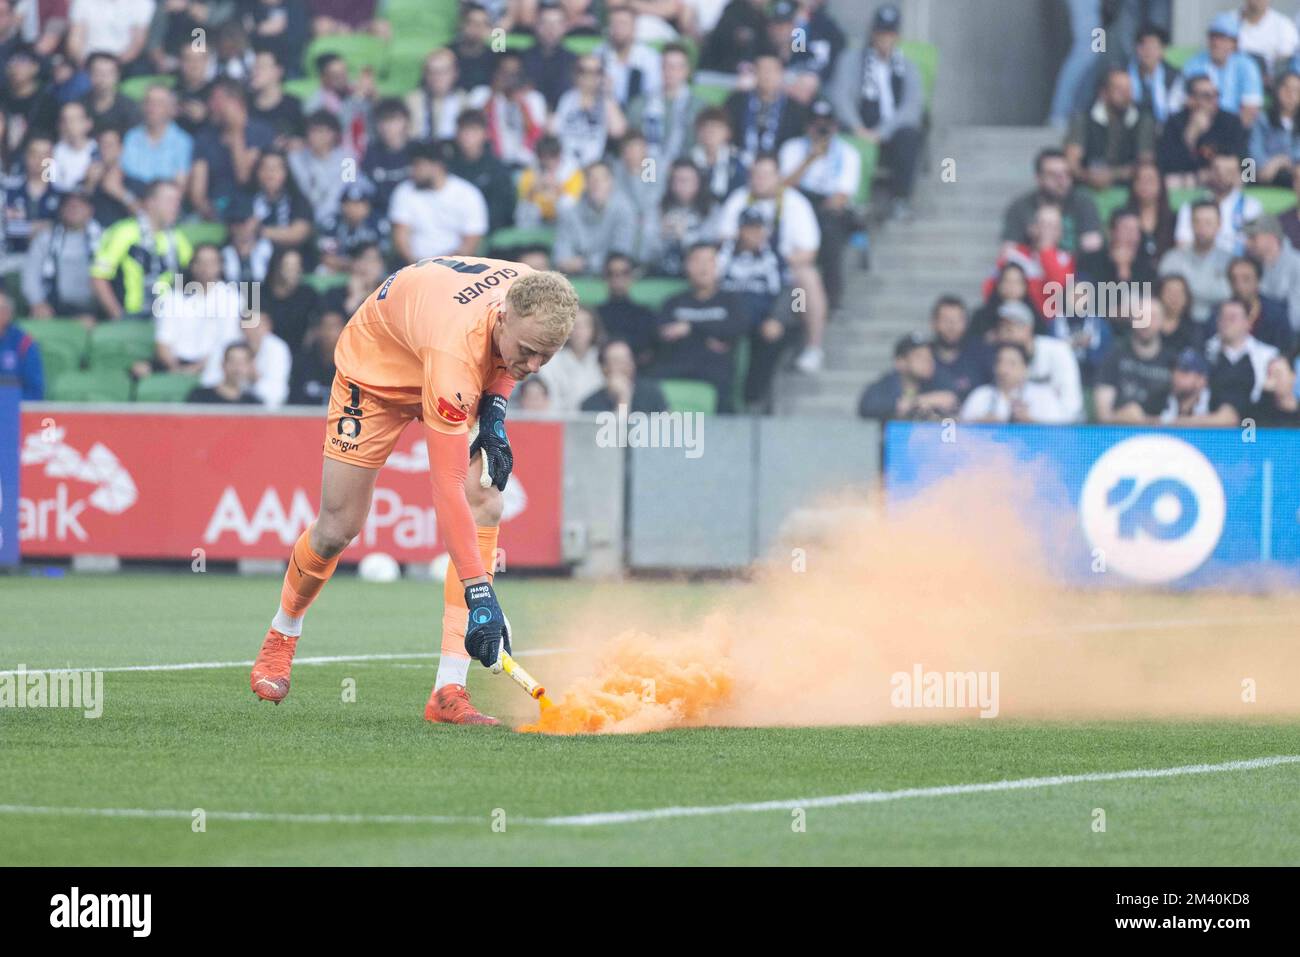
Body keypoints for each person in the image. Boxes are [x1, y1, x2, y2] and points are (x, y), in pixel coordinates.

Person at [247, 260, 579, 728]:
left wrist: (497, 411)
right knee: (337, 529)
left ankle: (448, 690)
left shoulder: (531, 291)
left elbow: (506, 361)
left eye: (547, 357)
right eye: (528, 352)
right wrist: (481, 593)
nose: (533, 367)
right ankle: (283, 632)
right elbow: (444, 489)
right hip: (376, 378)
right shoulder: (455, 353)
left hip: (441, 353)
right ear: (503, 316)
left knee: (487, 498)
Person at [718, 152, 826, 372]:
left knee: (806, 279)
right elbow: (723, 238)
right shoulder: (739, 198)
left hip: (782, 279)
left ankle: (810, 344)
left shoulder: (795, 203)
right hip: (739, 271)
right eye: (756, 174)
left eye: (766, 175)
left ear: (779, 176)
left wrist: (774, 258)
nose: (760, 180)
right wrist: (749, 246)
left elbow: (808, 252)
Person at [829, 2, 924, 220]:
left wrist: (883, 132)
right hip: (859, 126)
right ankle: (854, 200)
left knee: (910, 136)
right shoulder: (852, 60)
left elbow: (912, 106)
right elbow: (841, 96)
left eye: (890, 33)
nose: (885, 39)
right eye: (881, 33)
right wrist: (858, 128)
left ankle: (901, 199)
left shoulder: (908, 66)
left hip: (891, 131)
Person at [779, 99, 861, 309]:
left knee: (829, 227)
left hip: (828, 211)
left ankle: (831, 298)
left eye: (827, 124)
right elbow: (783, 187)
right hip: (795, 207)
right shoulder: (792, 148)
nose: (822, 129)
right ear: (808, 126)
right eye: (817, 124)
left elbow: (841, 197)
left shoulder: (848, 153)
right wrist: (809, 159)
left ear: (835, 126)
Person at [651, 242, 748, 410]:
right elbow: (662, 334)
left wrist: (690, 329)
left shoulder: (731, 301)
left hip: (715, 370)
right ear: (687, 265)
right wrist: (709, 335)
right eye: (697, 261)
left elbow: (736, 328)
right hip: (677, 365)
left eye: (709, 261)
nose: (703, 267)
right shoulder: (673, 302)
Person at [91, 180, 192, 319]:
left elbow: (193, 276)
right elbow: (98, 276)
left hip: (166, 318)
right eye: (170, 201)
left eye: (178, 201)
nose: (175, 206)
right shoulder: (124, 232)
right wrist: (118, 316)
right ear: (150, 203)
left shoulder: (178, 239)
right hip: (130, 317)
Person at [389, 139, 489, 262]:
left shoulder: (467, 194)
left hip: (456, 268)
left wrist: (439, 266)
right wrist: (417, 267)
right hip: (413, 267)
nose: (413, 171)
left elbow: (470, 244)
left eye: (418, 165)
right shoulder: (404, 191)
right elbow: (401, 238)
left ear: (437, 166)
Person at [156, 243, 243, 381]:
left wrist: (198, 368)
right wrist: (177, 369)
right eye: (200, 262)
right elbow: (163, 341)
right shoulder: (172, 296)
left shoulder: (231, 296)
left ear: (220, 266)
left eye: (211, 262)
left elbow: (228, 340)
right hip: (176, 366)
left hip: (216, 367)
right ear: (192, 265)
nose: (205, 268)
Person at [993, 299, 1084, 422]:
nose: (1005, 334)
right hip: (1016, 428)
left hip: (1064, 429)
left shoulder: (1058, 351)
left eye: (1010, 328)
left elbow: (1072, 406)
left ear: (1027, 328)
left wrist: (1036, 422)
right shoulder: (1000, 357)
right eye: (1001, 329)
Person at [1064, 67, 1154, 189]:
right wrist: (1089, 176)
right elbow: (1072, 162)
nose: (1127, 95)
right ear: (1103, 93)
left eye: (1129, 89)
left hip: (1130, 188)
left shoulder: (1143, 119)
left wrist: (1111, 175)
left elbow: (1145, 162)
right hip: (1086, 186)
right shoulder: (1083, 119)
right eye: (1119, 90)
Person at [1001, 148, 1103, 255]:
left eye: (1066, 174)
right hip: (1034, 267)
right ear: (1039, 178)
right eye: (1054, 175)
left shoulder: (1083, 202)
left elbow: (1093, 246)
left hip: (1071, 269)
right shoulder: (1021, 206)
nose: (1062, 180)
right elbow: (1009, 250)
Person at [1155, 73, 1248, 188]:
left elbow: (1248, 162)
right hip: (1190, 180)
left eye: (1216, 95)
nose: (1214, 101)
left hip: (1224, 180)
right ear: (1191, 99)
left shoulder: (1230, 121)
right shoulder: (1175, 122)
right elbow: (1168, 165)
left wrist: (1244, 178)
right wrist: (1191, 136)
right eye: (1207, 96)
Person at [21, 190, 101, 320]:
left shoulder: (103, 239)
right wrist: (37, 302)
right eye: (69, 205)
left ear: (90, 210)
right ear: (61, 210)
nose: (74, 209)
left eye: (80, 205)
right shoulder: (45, 239)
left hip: (93, 309)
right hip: (52, 307)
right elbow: (30, 275)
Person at [1092, 297, 1174, 423]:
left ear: (1163, 322)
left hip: (1164, 438)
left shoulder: (1173, 361)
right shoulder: (1114, 355)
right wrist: (1121, 417)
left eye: (1152, 317)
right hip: (1120, 435)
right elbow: (1103, 415)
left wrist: (1145, 420)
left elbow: (1179, 414)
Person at [552, 159, 638, 275]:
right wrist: (567, 263)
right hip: (576, 277)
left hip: (612, 278)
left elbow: (621, 254)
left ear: (611, 183)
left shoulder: (624, 210)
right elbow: (561, 256)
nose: (596, 183)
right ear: (585, 184)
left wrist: (586, 263)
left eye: (603, 179)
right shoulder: (570, 212)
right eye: (592, 179)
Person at [1181, 12, 1264, 129]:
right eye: (1213, 37)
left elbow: (1250, 110)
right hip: (1199, 124)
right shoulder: (1193, 63)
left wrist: (1230, 136)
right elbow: (1181, 101)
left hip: (1236, 129)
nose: (1216, 43)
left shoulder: (1247, 66)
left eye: (1222, 38)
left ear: (1234, 43)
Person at [626, 42, 703, 168]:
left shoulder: (699, 107)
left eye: (677, 67)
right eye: (666, 66)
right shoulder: (640, 104)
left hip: (685, 172)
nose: (670, 72)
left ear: (687, 71)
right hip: (648, 169)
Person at [725, 52, 808, 167]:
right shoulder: (736, 101)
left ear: (781, 74)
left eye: (772, 70)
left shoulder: (795, 109)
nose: (767, 75)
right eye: (762, 70)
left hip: (780, 168)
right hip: (738, 164)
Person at [1158, 200, 1232, 326]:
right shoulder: (1172, 259)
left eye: (1208, 223)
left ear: (1219, 225)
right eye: (1197, 222)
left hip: (1220, 325)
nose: (1202, 228)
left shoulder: (1231, 262)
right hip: (1180, 327)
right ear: (1191, 224)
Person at [959, 342, 1071, 424]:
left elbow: (1060, 433)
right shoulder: (981, 395)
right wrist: (981, 424)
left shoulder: (1043, 396)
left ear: (1025, 369)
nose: (1003, 369)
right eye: (1000, 362)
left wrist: (1030, 422)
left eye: (1011, 364)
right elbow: (961, 430)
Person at [1204, 297, 1279, 420]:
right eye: (1223, 318)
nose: (1226, 323)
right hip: (1207, 428)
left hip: (1256, 428)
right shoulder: (1205, 353)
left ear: (1248, 322)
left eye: (1232, 318)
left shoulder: (1269, 357)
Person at [1171, 153, 1260, 255]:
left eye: (1229, 171)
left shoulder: (1251, 206)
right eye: (1217, 170)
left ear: (1238, 175)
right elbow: (1182, 245)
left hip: (1239, 265)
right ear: (1209, 172)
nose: (1222, 176)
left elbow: (1256, 245)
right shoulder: (1191, 206)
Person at [550, 54, 627, 170]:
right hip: (566, 168)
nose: (589, 76)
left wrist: (607, 94)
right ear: (576, 74)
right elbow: (553, 131)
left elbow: (618, 131)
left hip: (594, 168)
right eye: (584, 71)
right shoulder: (567, 99)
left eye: (596, 72)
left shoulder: (606, 102)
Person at [858, 333, 957, 423]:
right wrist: (907, 405)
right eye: (919, 357)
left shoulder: (937, 379)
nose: (928, 361)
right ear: (900, 362)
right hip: (895, 440)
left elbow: (949, 399)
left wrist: (913, 403)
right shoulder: (885, 386)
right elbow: (867, 407)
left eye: (930, 356)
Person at [646, 158, 718, 277]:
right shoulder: (659, 208)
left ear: (697, 182)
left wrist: (684, 237)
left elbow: (710, 248)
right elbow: (646, 251)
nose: (679, 186)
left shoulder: (710, 209)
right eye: (675, 181)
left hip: (695, 275)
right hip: (660, 272)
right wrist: (661, 235)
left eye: (685, 181)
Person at [449, 109, 517, 235]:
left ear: (485, 134)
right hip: (452, 231)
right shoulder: (447, 168)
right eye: (464, 130)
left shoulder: (497, 169)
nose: (467, 136)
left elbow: (502, 210)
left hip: (489, 233)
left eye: (473, 131)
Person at [121, 86, 194, 190]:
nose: (152, 108)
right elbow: (122, 178)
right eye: (148, 102)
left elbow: (179, 187)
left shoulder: (183, 142)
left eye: (159, 103)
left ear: (172, 109)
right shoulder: (131, 136)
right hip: (131, 201)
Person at [538, 306, 604, 412]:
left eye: (585, 325)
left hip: (595, 423)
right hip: (561, 423)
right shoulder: (551, 361)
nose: (579, 331)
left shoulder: (603, 359)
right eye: (575, 325)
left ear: (594, 329)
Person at [597, 252, 658, 365]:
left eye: (624, 273)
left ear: (631, 277)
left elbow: (650, 352)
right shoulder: (595, 315)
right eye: (611, 273)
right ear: (604, 278)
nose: (618, 278)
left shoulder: (646, 314)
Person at [1227, 255, 1294, 355]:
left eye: (1246, 279)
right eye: (1234, 279)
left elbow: (1285, 352)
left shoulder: (1276, 315)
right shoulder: (1220, 313)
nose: (1239, 285)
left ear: (1258, 281)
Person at [580, 338, 668, 413]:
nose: (624, 366)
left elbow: (669, 427)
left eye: (627, 360)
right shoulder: (590, 404)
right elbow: (617, 432)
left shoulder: (652, 393)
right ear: (604, 368)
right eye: (617, 361)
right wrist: (623, 398)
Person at [1245, 214, 1300, 332]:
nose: (1247, 243)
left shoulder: (1296, 265)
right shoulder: (1251, 263)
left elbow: (1296, 315)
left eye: (1253, 237)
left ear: (1271, 237)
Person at [928, 295, 990, 400]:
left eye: (957, 320)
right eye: (946, 320)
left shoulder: (982, 354)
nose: (952, 326)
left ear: (966, 323)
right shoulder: (923, 355)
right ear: (934, 323)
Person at [515, 134, 584, 228]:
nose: (548, 162)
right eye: (544, 157)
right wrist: (533, 190)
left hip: (560, 221)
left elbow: (574, 205)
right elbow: (522, 203)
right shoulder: (530, 172)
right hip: (537, 221)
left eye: (552, 157)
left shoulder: (572, 173)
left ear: (559, 156)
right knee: (525, 208)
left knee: (566, 206)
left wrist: (558, 189)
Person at [1157, 347, 1238, 426]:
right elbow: (1144, 418)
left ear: (1201, 380)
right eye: (1174, 369)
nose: (1175, 376)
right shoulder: (1161, 396)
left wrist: (1179, 422)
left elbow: (1230, 419)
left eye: (1184, 371)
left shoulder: (1214, 398)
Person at [406, 48, 474, 142]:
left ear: (455, 73)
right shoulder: (411, 101)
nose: (437, 78)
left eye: (443, 72)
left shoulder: (465, 102)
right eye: (431, 72)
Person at [521, 1, 577, 111]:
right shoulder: (523, 58)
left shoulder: (573, 60)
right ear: (536, 25)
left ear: (565, 27)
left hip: (563, 115)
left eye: (556, 23)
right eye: (545, 23)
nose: (551, 29)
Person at [1249, 70, 1300, 188]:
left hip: (1293, 176)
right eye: (1286, 89)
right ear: (1277, 90)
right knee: (1247, 169)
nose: (1291, 95)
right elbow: (1254, 151)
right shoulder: (1261, 120)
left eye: (1296, 91)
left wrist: (1281, 161)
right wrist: (1273, 163)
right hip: (1262, 174)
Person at [1128, 23, 1184, 129]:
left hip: (1164, 130)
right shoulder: (1124, 74)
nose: (1147, 51)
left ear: (1162, 50)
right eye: (1143, 45)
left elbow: (1175, 109)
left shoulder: (1174, 75)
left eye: (1153, 46)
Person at [1121, 157, 1175, 261]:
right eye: (1140, 180)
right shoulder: (1122, 218)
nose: (1145, 185)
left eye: (1150, 180)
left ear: (1160, 184)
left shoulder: (1173, 219)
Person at [288, 309, 345, 405]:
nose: (330, 332)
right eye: (326, 326)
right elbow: (294, 403)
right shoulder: (302, 363)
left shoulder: (353, 365)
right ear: (318, 331)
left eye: (335, 327)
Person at [0, 290, 44, 399]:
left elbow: (35, 390)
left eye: (1, 309)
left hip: (12, 409)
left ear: (8, 313)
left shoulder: (24, 343)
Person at [188, 341, 262, 404]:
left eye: (242, 362)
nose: (237, 368)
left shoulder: (253, 404)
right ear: (223, 365)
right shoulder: (200, 397)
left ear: (250, 367)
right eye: (232, 361)